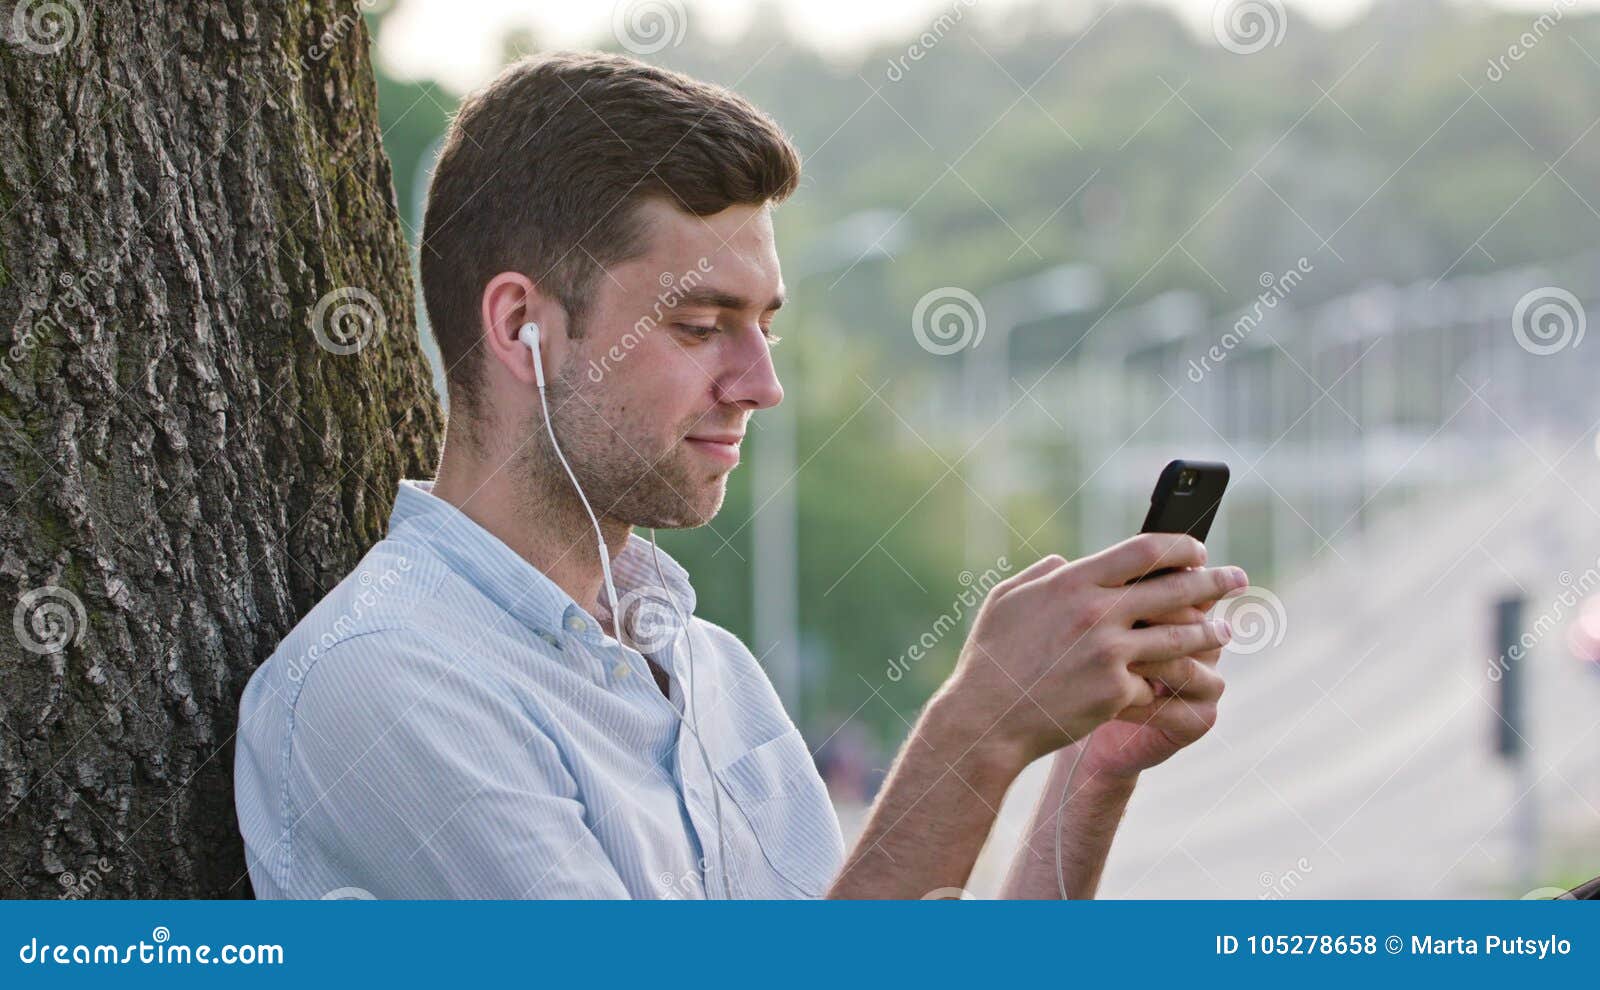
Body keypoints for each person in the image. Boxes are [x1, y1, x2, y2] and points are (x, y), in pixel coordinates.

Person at [233, 51, 1244, 900]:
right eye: (699, 325)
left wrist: (1082, 782)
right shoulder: (385, 686)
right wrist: (971, 731)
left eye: (764, 327)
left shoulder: (714, 674)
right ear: (520, 326)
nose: (761, 385)